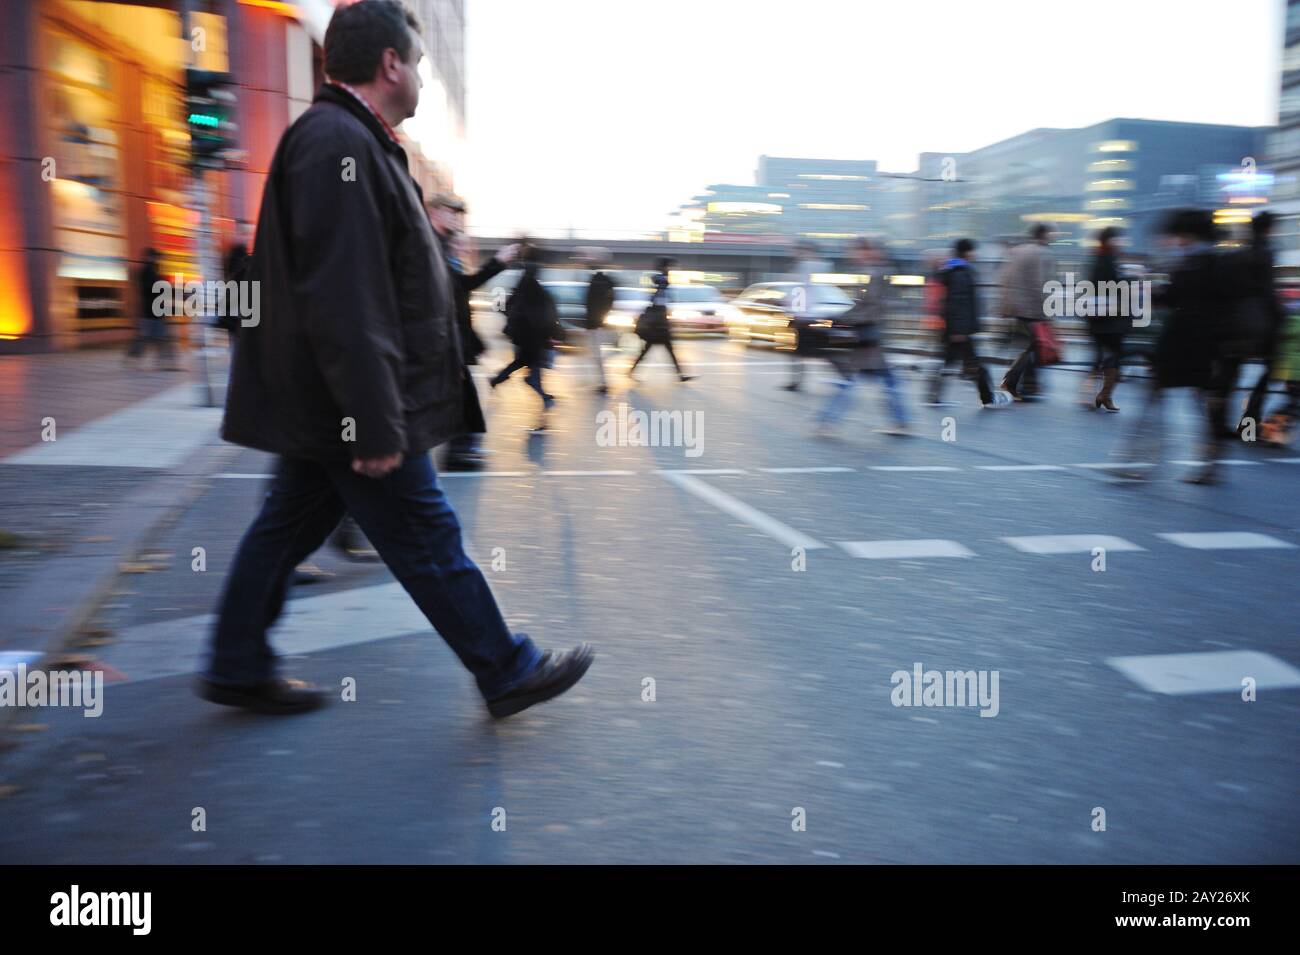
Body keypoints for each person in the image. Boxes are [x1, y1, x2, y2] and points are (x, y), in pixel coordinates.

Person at [199, 0, 592, 717]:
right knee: (426, 534)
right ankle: (504, 668)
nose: (416, 75)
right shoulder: (339, 146)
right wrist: (375, 419)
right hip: (355, 408)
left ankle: (235, 661)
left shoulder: (350, 142)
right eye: (414, 62)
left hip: (331, 403)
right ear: (389, 64)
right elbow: (347, 296)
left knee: (286, 526)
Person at [1117, 209, 1227, 485]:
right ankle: (1208, 462)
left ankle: (1137, 458)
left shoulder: (1193, 263)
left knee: (1156, 401)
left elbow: (1173, 298)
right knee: (1201, 406)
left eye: (1179, 235)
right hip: (1202, 346)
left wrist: (1154, 291)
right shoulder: (1214, 263)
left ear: (1188, 235)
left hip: (1180, 343)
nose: (1176, 240)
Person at [428, 193, 518, 469]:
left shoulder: (441, 248)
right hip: (440, 340)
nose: (457, 218)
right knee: (456, 399)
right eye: (452, 212)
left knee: (461, 398)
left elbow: (461, 287)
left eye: (459, 214)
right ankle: (455, 452)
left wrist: (498, 262)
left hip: (450, 340)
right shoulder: (428, 244)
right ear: (436, 212)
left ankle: (461, 450)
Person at [814, 237, 908, 435]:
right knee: (885, 380)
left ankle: (828, 422)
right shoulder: (877, 273)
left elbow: (870, 308)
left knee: (851, 379)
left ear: (867, 251)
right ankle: (900, 421)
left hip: (870, 336)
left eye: (855, 251)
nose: (852, 255)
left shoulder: (876, 274)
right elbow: (867, 305)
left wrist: (841, 319)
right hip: (872, 335)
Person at [927, 239, 1009, 408]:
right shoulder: (960, 272)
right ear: (967, 253)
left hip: (956, 327)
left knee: (951, 362)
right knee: (975, 365)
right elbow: (958, 302)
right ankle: (988, 398)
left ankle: (934, 394)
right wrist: (959, 330)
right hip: (960, 329)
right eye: (973, 251)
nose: (976, 254)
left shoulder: (954, 270)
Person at [490, 242, 562, 418]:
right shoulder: (532, 283)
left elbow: (507, 306)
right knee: (529, 366)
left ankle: (498, 380)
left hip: (524, 335)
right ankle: (544, 398)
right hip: (532, 335)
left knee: (523, 362)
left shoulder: (524, 281)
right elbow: (541, 313)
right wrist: (552, 332)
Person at [1229, 211, 1285, 436]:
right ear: (1269, 229)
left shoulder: (1240, 253)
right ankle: (1248, 426)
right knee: (1272, 369)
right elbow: (1268, 291)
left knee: (1231, 372)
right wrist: (1280, 316)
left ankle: (1230, 425)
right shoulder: (1266, 253)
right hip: (1259, 322)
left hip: (1236, 321)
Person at [998, 223, 1055, 400]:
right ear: (1043, 235)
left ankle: (1030, 384)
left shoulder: (1017, 251)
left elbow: (1005, 279)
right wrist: (1046, 311)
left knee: (1028, 345)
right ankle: (1011, 382)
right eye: (1051, 234)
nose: (1053, 237)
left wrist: (1005, 306)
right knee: (1031, 346)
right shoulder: (1039, 253)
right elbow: (1039, 284)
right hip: (1030, 308)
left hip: (1016, 307)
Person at [628, 257, 695, 382]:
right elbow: (658, 297)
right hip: (658, 322)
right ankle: (680, 374)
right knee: (662, 348)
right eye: (669, 267)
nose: (671, 270)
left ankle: (680, 374)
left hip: (658, 321)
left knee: (656, 349)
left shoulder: (662, 282)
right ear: (664, 267)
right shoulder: (660, 281)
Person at [1085, 226, 1127, 412]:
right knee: (1114, 356)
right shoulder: (1107, 260)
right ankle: (1103, 395)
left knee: (1101, 356)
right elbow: (1111, 286)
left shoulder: (1099, 258)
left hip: (1097, 316)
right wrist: (1129, 281)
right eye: (1118, 239)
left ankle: (1096, 395)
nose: (1121, 242)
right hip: (1108, 316)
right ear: (1110, 241)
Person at [781, 240, 831, 391]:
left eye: (797, 250)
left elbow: (805, 291)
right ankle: (796, 382)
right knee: (800, 351)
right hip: (801, 316)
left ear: (806, 250)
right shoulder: (802, 266)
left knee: (811, 351)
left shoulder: (810, 266)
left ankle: (796, 382)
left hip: (807, 316)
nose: (794, 253)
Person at [125, 247, 178, 369]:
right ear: (150, 257)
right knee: (160, 337)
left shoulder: (150, 270)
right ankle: (165, 362)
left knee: (150, 337)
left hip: (151, 311)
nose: (159, 259)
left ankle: (133, 358)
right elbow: (153, 288)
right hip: (152, 311)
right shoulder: (148, 271)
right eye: (156, 257)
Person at [582, 247, 616, 394]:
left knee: (596, 354)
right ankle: (602, 381)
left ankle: (603, 382)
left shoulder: (597, 281)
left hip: (594, 324)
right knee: (596, 354)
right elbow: (610, 301)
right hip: (599, 322)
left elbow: (590, 303)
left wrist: (595, 321)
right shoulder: (608, 281)